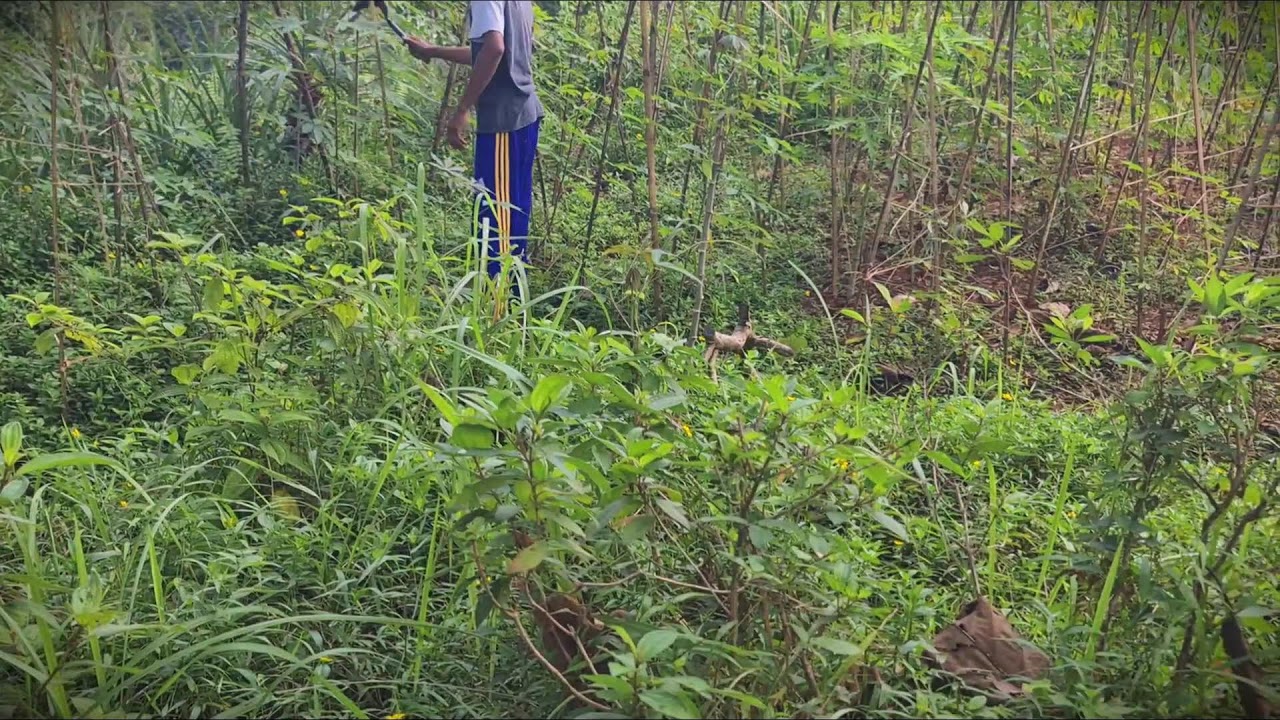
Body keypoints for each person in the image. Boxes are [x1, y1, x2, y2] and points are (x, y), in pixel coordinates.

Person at [407, 1, 544, 283]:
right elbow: (489, 52)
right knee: (513, 214)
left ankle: (498, 300)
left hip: (504, 122)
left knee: (495, 217)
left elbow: (494, 49)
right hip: (523, 116)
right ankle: (513, 296)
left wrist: (462, 109)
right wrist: (433, 51)